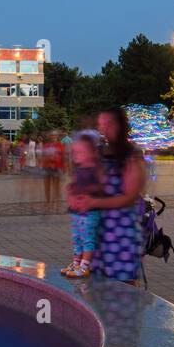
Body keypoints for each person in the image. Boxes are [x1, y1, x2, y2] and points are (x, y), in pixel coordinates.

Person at [70, 108, 145, 285]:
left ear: (120, 126)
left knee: (123, 289)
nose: (104, 129)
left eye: (108, 124)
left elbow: (130, 196)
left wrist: (95, 201)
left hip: (120, 232)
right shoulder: (100, 152)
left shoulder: (131, 156)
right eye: (101, 125)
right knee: (96, 289)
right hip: (99, 231)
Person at [60, 133, 103, 279]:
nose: (76, 154)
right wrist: (70, 193)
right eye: (75, 151)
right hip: (76, 211)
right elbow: (72, 187)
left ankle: (85, 265)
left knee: (87, 238)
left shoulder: (95, 170)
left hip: (89, 212)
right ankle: (76, 263)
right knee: (77, 238)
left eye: (80, 151)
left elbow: (101, 187)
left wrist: (86, 192)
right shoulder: (79, 170)